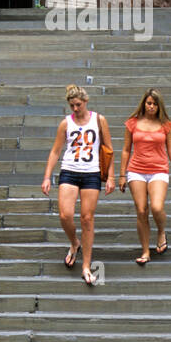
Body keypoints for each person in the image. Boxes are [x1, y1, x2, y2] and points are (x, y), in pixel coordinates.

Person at [42, 84, 115, 286]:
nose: (75, 108)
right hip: (70, 171)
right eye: (72, 105)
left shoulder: (99, 120)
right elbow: (56, 151)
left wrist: (111, 177)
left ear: (86, 102)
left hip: (91, 172)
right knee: (65, 215)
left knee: (87, 218)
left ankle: (86, 265)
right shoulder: (65, 124)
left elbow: (108, 149)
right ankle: (74, 242)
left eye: (78, 105)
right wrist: (47, 176)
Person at [119, 89, 171, 265]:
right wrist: (121, 174)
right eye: (149, 103)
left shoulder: (166, 125)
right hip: (136, 170)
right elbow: (126, 150)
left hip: (158, 169)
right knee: (141, 210)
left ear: (159, 106)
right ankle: (145, 251)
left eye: (155, 104)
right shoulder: (132, 123)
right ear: (144, 103)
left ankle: (161, 231)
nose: (151, 106)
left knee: (156, 207)